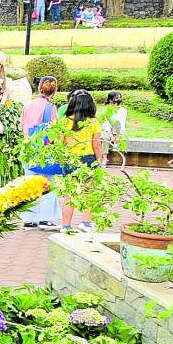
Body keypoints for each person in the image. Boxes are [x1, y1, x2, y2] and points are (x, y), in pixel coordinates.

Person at [19, 77, 62, 230]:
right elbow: (54, 131)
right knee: (47, 184)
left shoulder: (28, 105)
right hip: (44, 149)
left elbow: (22, 127)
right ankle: (45, 219)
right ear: (55, 90)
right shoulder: (51, 107)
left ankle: (29, 219)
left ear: (39, 88)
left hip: (28, 147)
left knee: (30, 183)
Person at [59, 90, 105, 233]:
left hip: (70, 160)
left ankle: (66, 226)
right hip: (88, 160)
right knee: (88, 193)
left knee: (69, 195)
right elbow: (96, 145)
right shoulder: (93, 122)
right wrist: (100, 162)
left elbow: (59, 144)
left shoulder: (64, 121)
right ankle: (87, 223)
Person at [100, 91, 127, 166]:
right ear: (110, 100)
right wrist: (111, 135)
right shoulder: (106, 109)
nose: (119, 100)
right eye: (116, 98)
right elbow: (105, 124)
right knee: (105, 138)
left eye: (120, 98)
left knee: (117, 123)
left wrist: (117, 135)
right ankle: (104, 158)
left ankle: (116, 140)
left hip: (119, 131)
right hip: (107, 130)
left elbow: (121, 123)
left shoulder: (123, 110)